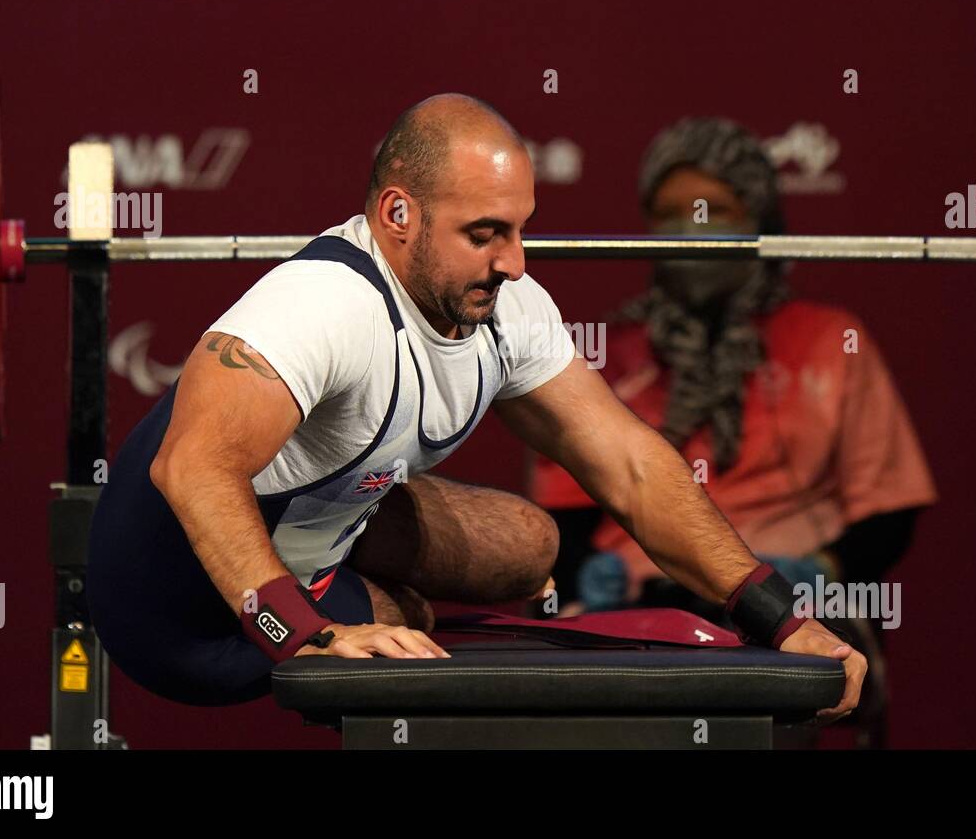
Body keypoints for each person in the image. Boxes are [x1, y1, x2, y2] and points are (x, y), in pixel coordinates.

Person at [87, 96, 866, 718]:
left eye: (521, 229)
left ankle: (358, 576)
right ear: (398, 215)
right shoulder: (322, 303)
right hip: (177, 607)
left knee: (529, 546)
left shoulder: (505, 301)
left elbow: (630, 466)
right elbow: (190, 465)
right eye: (486, 233)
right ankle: (361, 598)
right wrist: (306, 635)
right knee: (407, 628)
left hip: (316, 534)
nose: (515, 263)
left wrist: (779, 617)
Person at [530, 117, 936, 634]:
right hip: (639, 607)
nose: (688, 231)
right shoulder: (602, 354)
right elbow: (563, 520)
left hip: (791, 604)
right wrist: (589, 583)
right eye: (667, 214)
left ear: (760, 218)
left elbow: (887, 518)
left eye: (714, 211)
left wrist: (819, 575)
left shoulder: (832, 340)